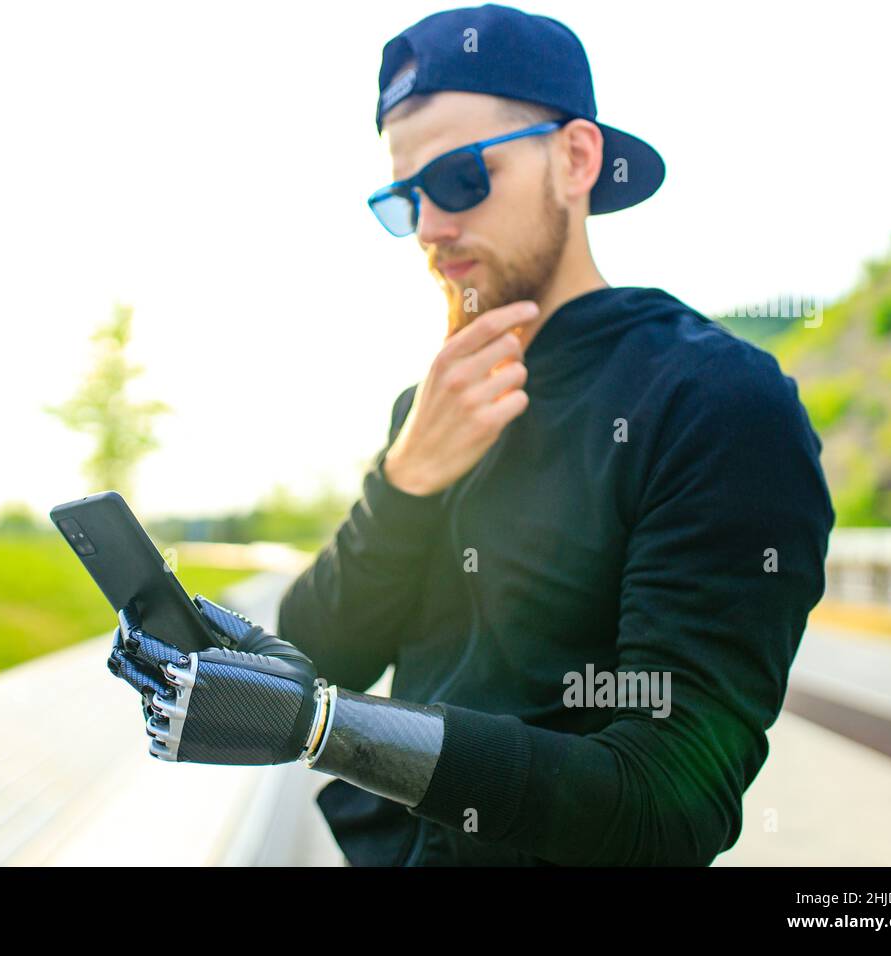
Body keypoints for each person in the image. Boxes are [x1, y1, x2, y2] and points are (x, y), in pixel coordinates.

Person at [106, 4, 835, 866]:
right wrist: (404, 478)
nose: (428, 229)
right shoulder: (431, 401)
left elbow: (668, 804)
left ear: (576, 157)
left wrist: (328, 730)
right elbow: (320, 650)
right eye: (403, 197)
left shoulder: (717, 400)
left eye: (457, 181)